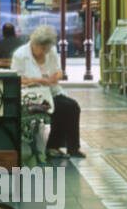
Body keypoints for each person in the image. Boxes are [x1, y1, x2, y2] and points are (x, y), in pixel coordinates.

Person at [10, 23, 84, 159]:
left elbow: (59, 72)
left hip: (51, 92)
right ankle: (52, 146)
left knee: (72, 106)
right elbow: (16, 80)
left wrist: (55, 77)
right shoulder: (20, 55)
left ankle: (73, 148)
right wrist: (37, 80)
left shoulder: (52, 51)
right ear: (34, 44)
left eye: (47, 48)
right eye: (42, 48)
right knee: (56, 107)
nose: (45, 52)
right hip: (31, 97)